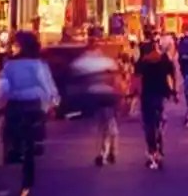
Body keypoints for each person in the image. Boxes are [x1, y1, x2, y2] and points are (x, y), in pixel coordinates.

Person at [0, 31, 59, 196]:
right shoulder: (38, 64)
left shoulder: (10, 65)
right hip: (33, 106)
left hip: (15, 105)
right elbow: (47, 84)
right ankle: (26, 183)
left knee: (12, 137)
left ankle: (14, 153)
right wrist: (53, 101)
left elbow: (2, 87)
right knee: (30, 146)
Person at [73, 30, 122, 166]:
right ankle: (110, 151)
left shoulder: (82, 61)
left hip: (95, 96)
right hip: (108, 96)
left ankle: (104, 152)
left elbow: (76, 74)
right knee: (109, 124)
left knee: (102, 126)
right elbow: (116, 80)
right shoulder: (107, 61)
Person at [134, 40, 177, 169]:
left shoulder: (142, 62)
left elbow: (136, 80)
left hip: (147, 96)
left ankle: (152, 151)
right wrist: (174, 92)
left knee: (148, 125)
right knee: (159, 121)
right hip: (160, 95)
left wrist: (133, 94)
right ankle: (158, 148)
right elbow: (173, 75)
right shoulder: (164, 60)